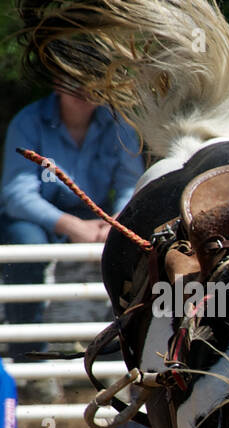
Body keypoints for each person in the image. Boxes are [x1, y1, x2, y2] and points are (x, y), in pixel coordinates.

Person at [1, 90, 143, 401]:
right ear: (57, 80)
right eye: (74, 79)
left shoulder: (120, 125)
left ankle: (116, 352)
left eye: (90, 81)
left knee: (133, 249)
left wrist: (115, 220)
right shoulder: (29, 121)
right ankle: (30, 358)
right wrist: (70, 225)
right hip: (40, 219)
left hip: (98, 215)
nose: (83, 90)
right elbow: (17, 194)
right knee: (26, 245)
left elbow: (130, 184)